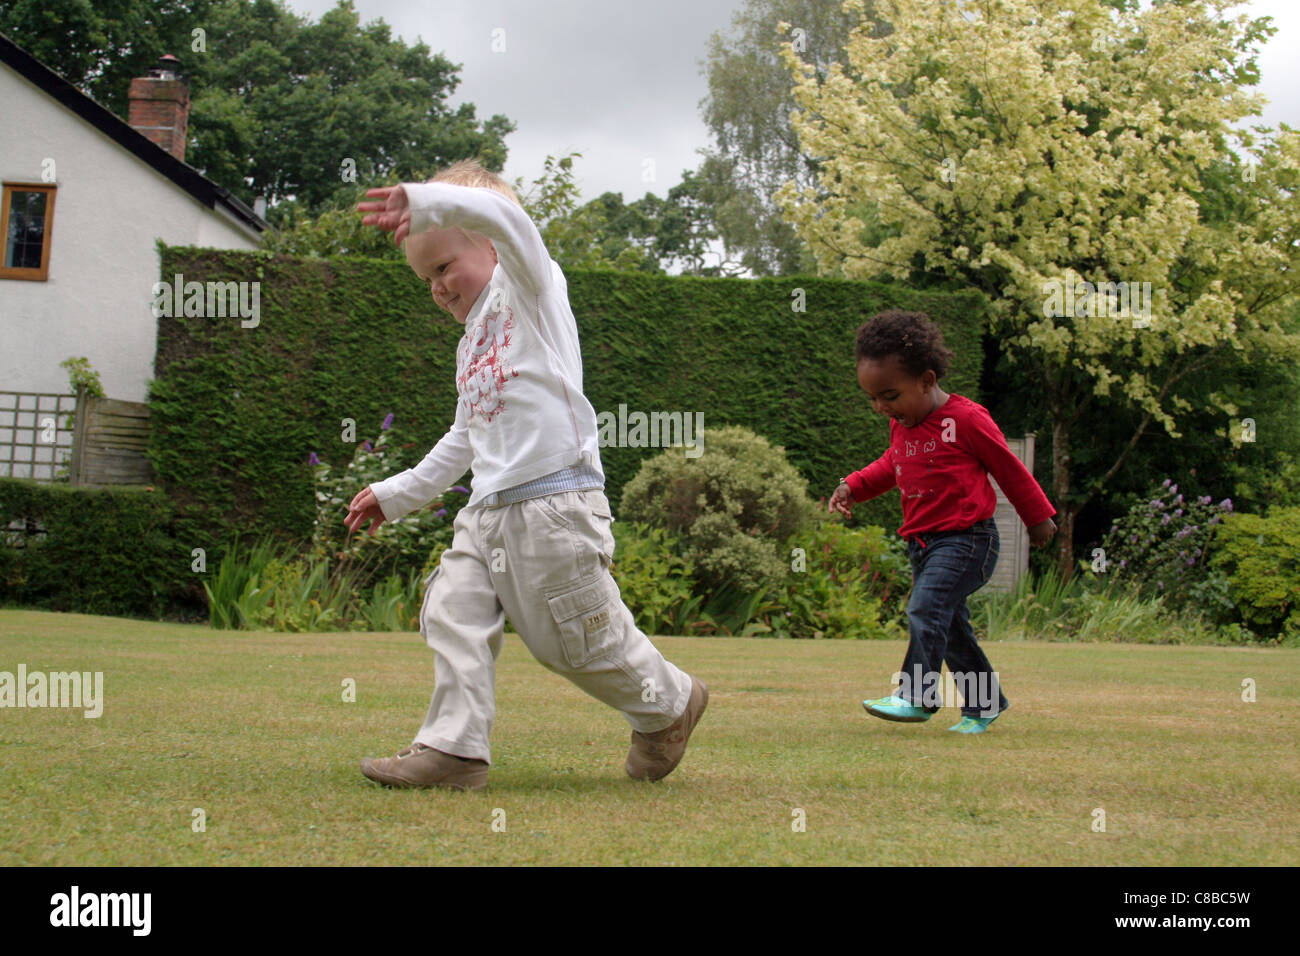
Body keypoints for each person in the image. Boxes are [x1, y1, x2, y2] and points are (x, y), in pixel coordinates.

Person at [344, 160, 706, 789]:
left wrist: (427, 202)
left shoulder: (532, 287)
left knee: (570, 646)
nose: (436, 287)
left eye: (443, 266)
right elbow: (464, 436)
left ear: (490, 244)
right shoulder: (472, 342)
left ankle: (668, 702)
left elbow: (508, 218)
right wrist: (396, 493)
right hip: (484, 514)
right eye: (424, 277)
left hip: (554, 505)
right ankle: (454, 748)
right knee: (450, 610)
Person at [827, 310, 1056, 733]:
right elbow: (891, 466)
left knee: (926, 606)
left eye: (890, 395)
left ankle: (916, 696)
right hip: (923, 544)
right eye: (873, 398)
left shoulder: (967, 419)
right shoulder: (903, 426)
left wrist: (1038, 516)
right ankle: (985, 705)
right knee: (950, 629)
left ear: (927, 381)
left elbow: (1009, 469)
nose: (881, 407)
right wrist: (852, 486)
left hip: (968, 540)